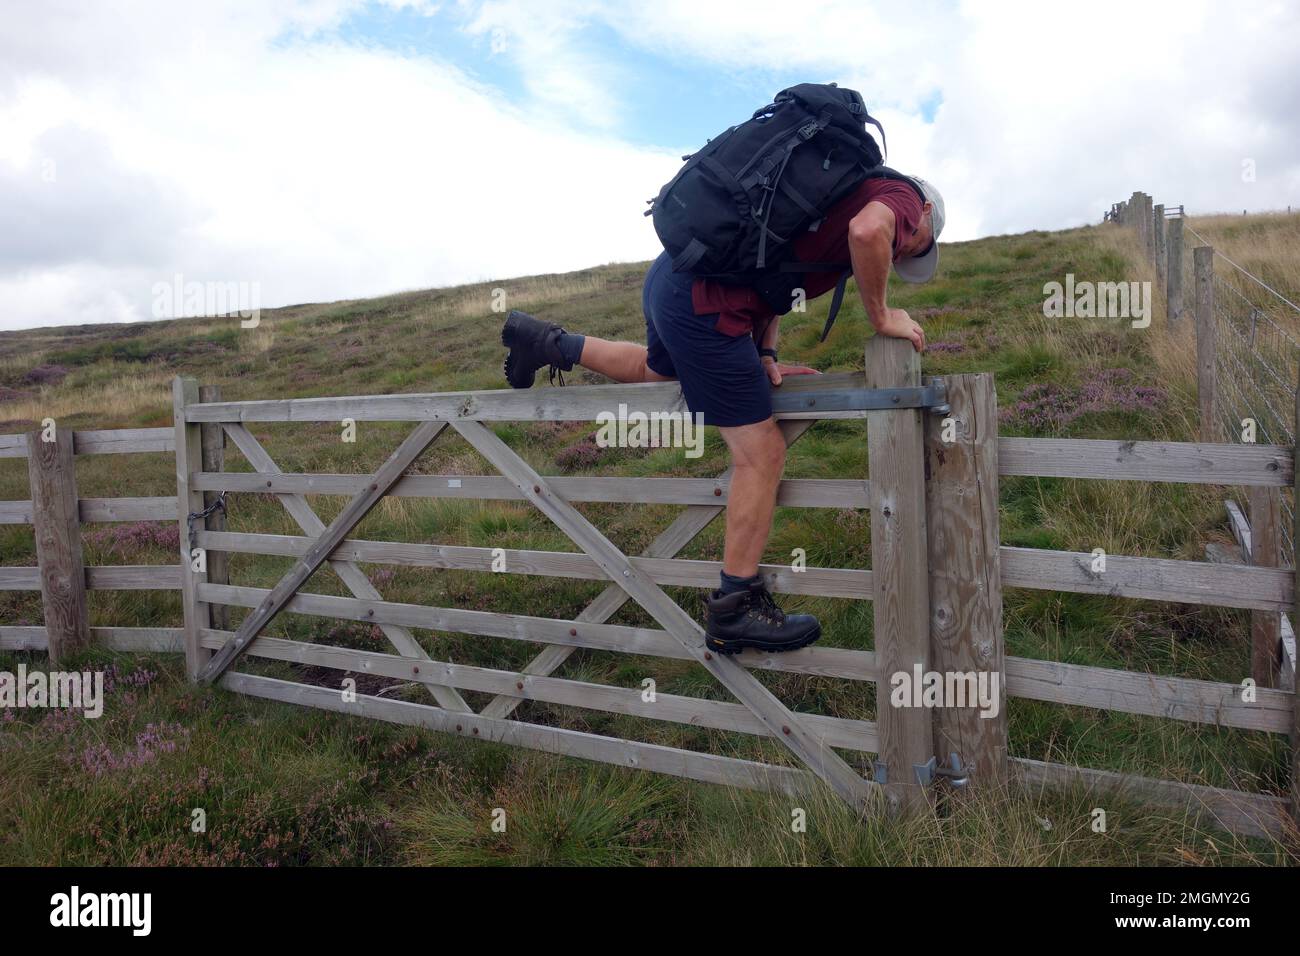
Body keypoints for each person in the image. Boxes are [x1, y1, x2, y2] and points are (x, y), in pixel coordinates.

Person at [501, 171, 945, 655]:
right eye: (917, 245)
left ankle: (546, 341)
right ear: (923, 212)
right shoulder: (899, 197)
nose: (905, 253)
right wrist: (882, 315)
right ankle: (735, 608)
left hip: (672, 277)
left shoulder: (826, 190)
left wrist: (767, 355)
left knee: (659, 374)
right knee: (762, 453)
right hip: (705, 303)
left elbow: (778, 274)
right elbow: (868, 232)